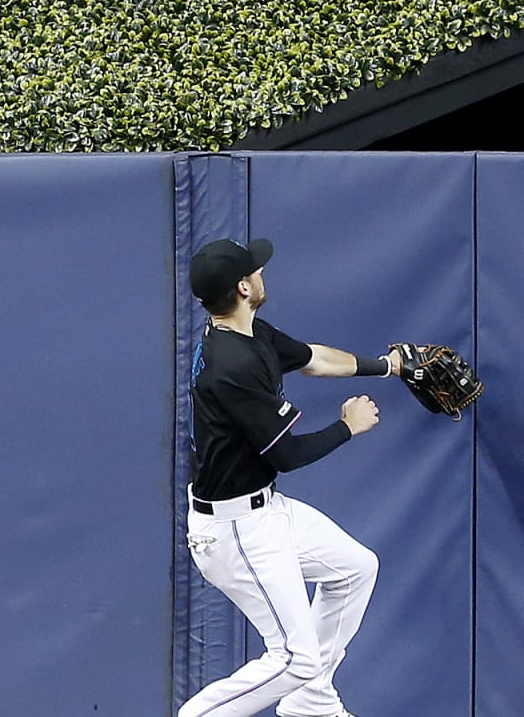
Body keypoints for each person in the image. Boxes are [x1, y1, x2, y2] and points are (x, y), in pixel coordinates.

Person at [180, 237, 400, 717]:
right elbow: (288, 455)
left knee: (355, 569)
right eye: (255, 268)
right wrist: (348, 427)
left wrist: (388, 368)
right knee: (294, 658)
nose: (262, 272)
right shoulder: (230, 366)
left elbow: (315, 358)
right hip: (234, 531)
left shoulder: (249, 334)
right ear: (243, 287)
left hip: (263, 509)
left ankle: (310, 703)